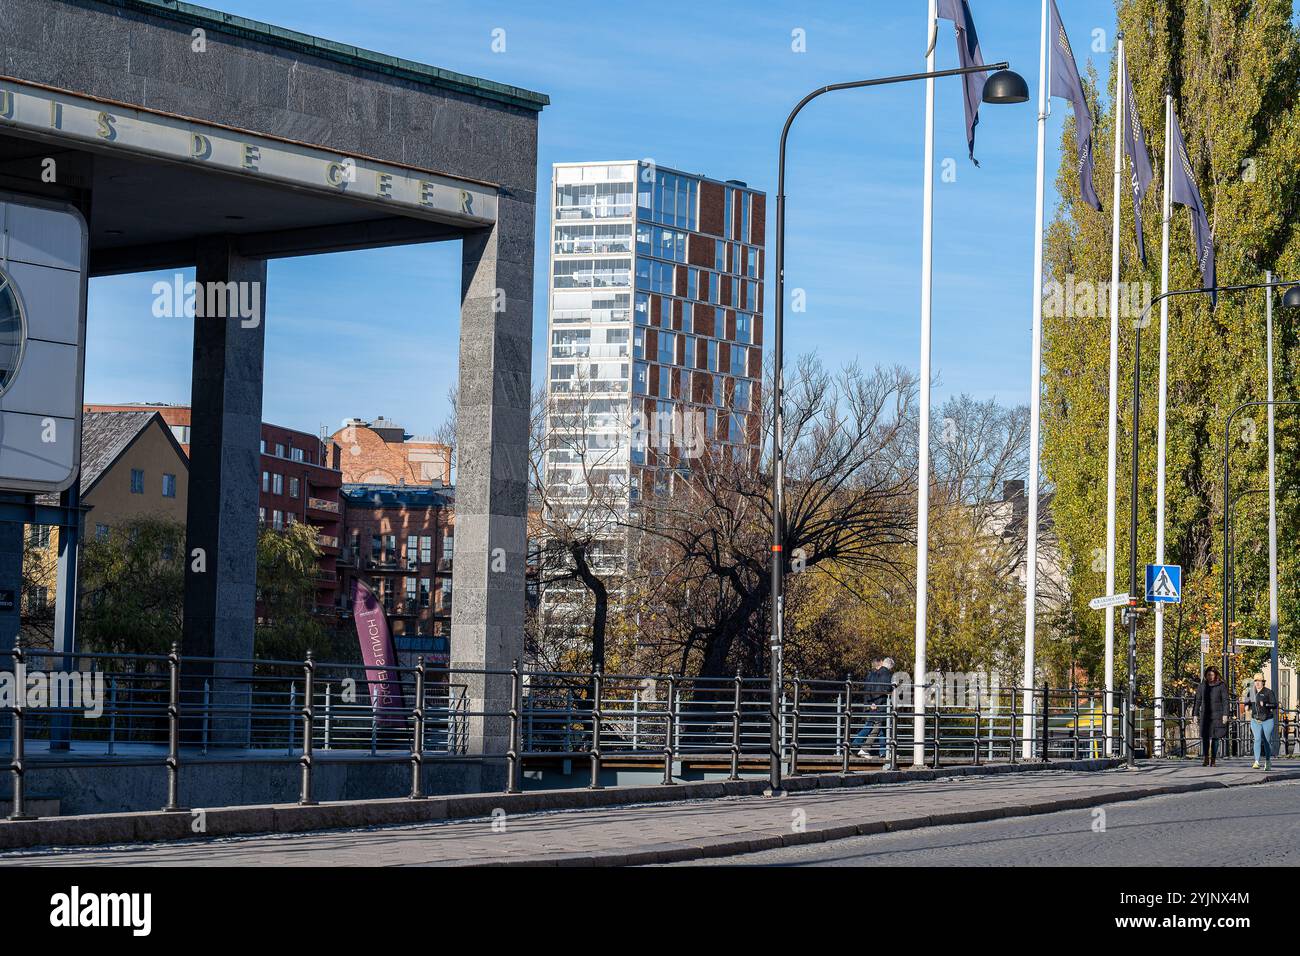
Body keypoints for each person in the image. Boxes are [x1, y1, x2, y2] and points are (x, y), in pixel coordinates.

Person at [853, 657, 894, 758]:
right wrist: (893, 686)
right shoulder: (886, 673)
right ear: (890, 666)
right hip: (879, 705)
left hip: (873, 703)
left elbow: (871, 688)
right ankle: (859, 747)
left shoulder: (874, 674)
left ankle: (883, 752)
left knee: (881, 728)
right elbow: (886, 688)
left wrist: (871, 702)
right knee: (875, 727)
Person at [1192, 666, 1230, 766]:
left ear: (1216, 675)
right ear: (1206, 675)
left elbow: (1226, 701)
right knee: (1205, 737)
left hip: (1218, 715)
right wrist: (1195, 714)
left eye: (1212, 675)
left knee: (1215, 737)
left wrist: (1225, 714)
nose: (1210, 677)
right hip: (1205, 715)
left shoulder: (1221, 686)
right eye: (1208, 675)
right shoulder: (1202, 686)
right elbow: (1198, 700)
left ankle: (1213, 759)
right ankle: (1206, 757)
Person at [1244, 672, 1278, 771]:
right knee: (1257, 739)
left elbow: (1275, 705)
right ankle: (1257, 761)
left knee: (1266, 741)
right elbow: (1247, 702)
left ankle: (1267, 761)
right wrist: (1247, 706)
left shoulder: (1268, 692)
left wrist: (1266, 704)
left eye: (1260, 681)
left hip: (1267, 719)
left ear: (1263, 682)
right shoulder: (1251, 692)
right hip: (1255, 720)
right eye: (1256, 681)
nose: (1258, 683)